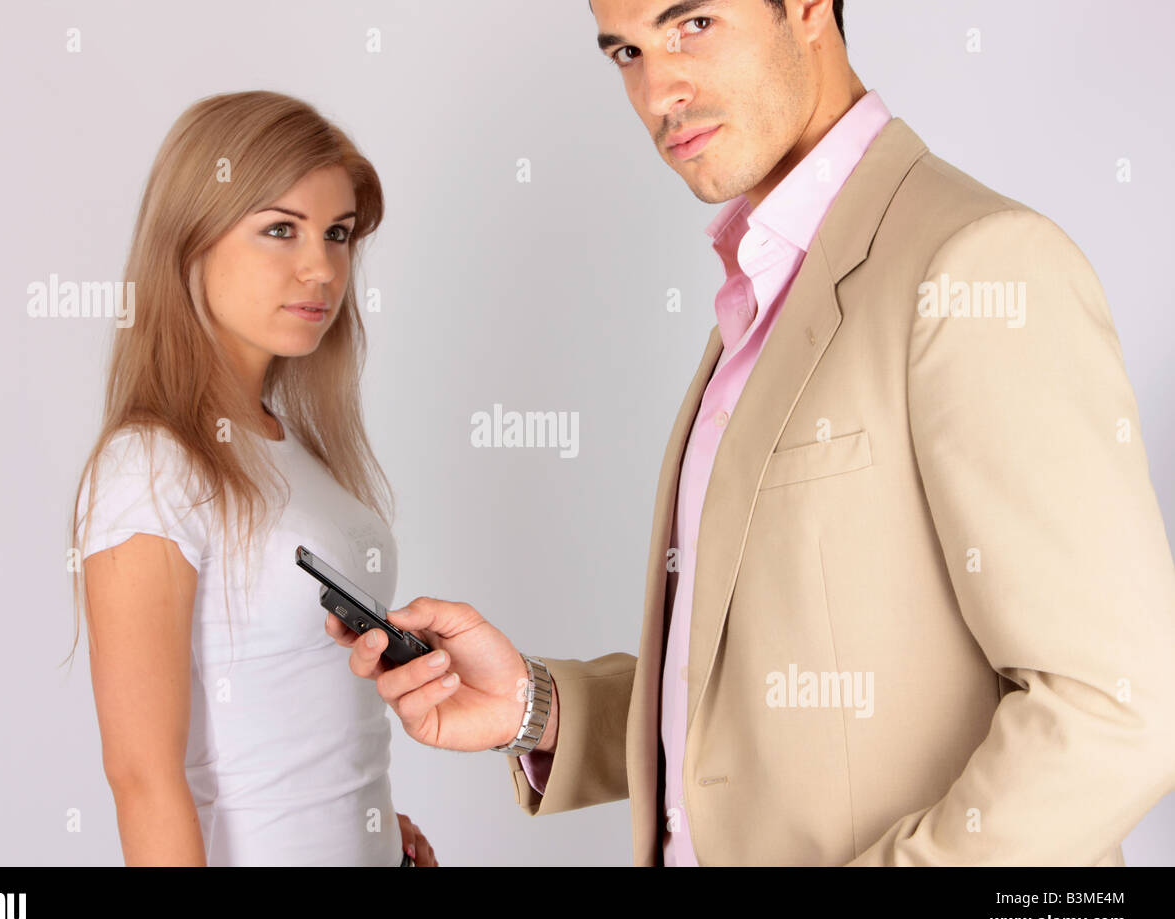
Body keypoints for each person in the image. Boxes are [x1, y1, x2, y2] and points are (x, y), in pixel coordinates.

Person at [328, 0, 1175, 865]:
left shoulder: (977, 265)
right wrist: (537, 709)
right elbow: (793, 687)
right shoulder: (768, 285)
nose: (659, 89)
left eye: (691, 24)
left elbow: (1117, 705)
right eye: (626, 50)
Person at [68, 90, 436, 866]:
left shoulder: (296, 451)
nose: (321, 268)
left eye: (337, 235)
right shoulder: (150, 466)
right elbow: (141, 774)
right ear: (190, 240)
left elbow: (305, 717)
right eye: (280, 230)